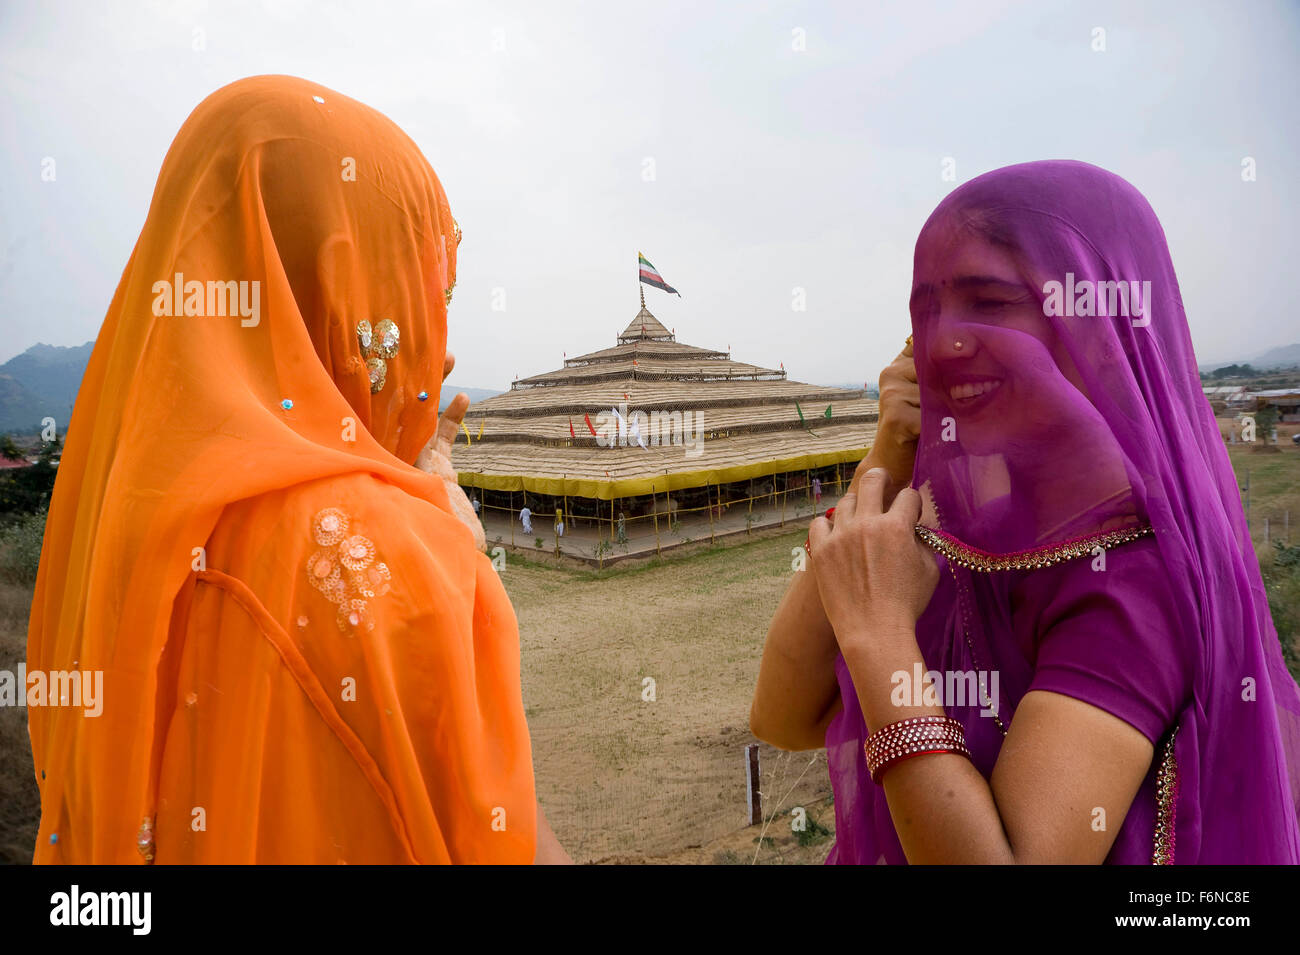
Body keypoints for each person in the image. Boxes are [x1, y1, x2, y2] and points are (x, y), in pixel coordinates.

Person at [26, 76, 569, 864]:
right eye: (425, 286)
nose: (439, 345)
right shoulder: (380, 555)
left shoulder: (117, 515)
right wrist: (455, 562)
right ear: (354, 291)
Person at [751, 160, 1300, 864]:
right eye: (929, 310)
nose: (944, 343)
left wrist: (882, 636)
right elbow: (783, 713)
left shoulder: (1131, 571)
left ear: (1099, 326)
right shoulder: (961, 528)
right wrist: (892, 448)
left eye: (990, 302)